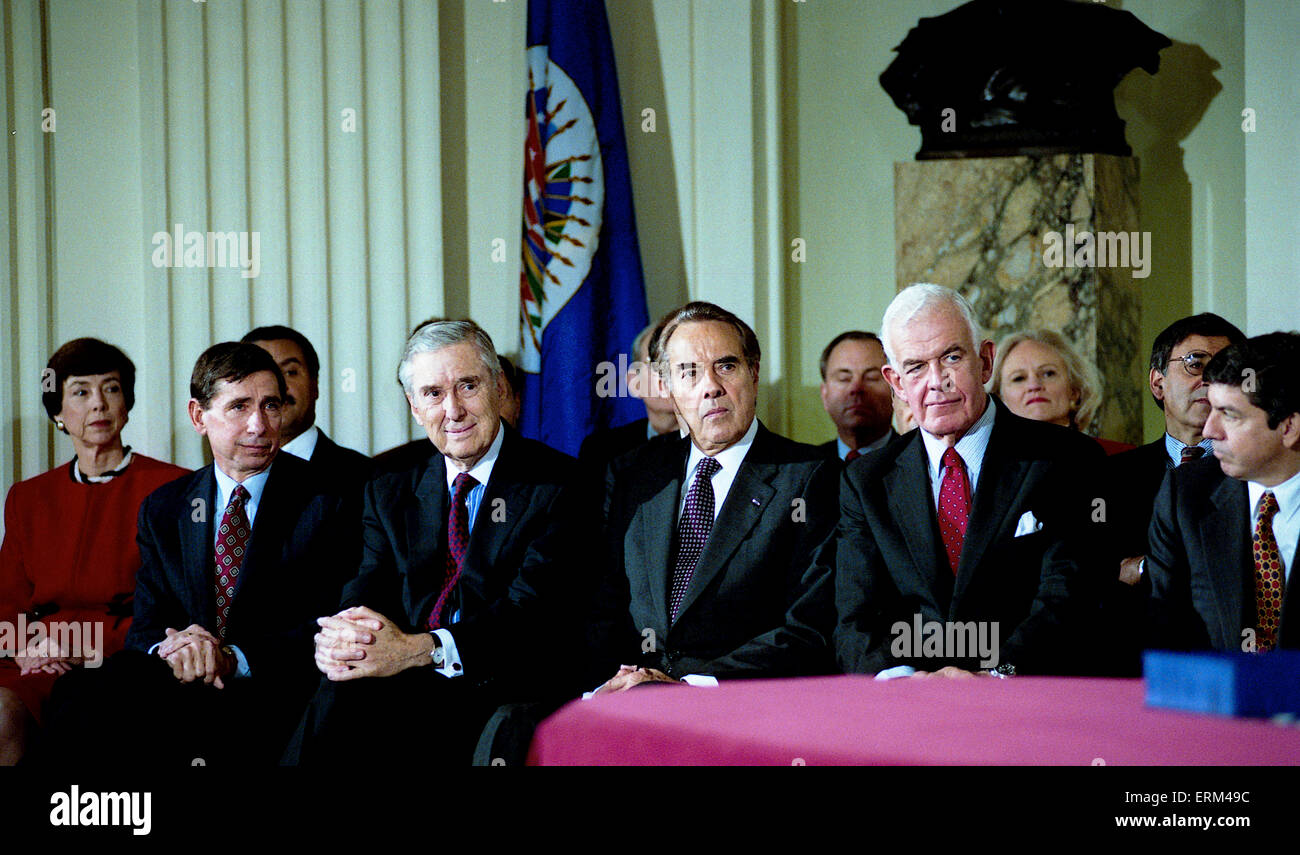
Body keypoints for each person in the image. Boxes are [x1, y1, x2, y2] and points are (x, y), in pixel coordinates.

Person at [38, 343, 359, 766]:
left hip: (277, 693)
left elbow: (332, 623)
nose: (259, 425)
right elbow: (146, 627)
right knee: (80, 696)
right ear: (198, 417)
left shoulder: (330, 499)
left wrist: (231, 659)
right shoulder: (165, 507)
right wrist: (176, 650)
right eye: (240, 407)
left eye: (271, 406)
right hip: (180, 691)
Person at [287, 320, 580, 766]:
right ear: (413, 406)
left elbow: (530, 615)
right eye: (433, 394)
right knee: (339, 684)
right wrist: (344, 636)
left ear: (499, 387)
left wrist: (422, 650)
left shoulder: (558, 483)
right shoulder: (390, 489)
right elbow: (368, 586)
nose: (454, 410)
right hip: (405, 679)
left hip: (501, 682)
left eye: (467, 386)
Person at [833, 284, 1104, 678]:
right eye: (915, 367)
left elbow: (1070, 599)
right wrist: (905, 682)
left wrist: (994, 677)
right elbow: (854, 620)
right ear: (896, 383)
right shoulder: (865, 480)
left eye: (952, 357)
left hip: (1029, 701)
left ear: (985, 361)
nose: (937, 380)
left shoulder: (1068, 459)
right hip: (908, 709)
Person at [588, 302, 839, 692]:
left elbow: (809, 627)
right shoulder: (638, 479)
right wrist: (615, 681)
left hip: (744, 708)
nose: (711, 386)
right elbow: (606, 609)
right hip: (632, 703)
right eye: (689, 372)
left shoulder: (811, 477)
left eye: (726, 366)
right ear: (668, 389)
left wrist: (688, 686)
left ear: (753, 374)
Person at [0, 339, 186, 765]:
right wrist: (25, 648)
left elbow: (174, 606)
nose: (99, 404)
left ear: (127, 403)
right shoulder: (28, 497)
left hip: (124, 662)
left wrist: (76, 644)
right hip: (34, 661)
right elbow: (6, 602)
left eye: (112, 389)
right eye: (81, 392)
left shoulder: (173, 488)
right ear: (58, 413)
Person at [1099, 313, 1245, 673]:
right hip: (1129, 666)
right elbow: (1094, 574)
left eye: (1225, 368)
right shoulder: (1108, 476)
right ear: (1157, 382)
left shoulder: (1256, 475)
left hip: (1232, 667)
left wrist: (1146, 566)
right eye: (1195, 364)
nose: (1209, 380)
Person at [1147, 332, 1300, 653]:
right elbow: (1165, 623)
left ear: (1288, 427)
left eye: (1229, 414)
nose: (1209, 430)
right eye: (1212, 410)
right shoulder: (1185, 493)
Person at [242, 325, 372, 486]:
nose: (278, 387)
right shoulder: (214, 478)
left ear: (315, 385)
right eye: (259, 374)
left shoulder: (366, 479)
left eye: (290, 372)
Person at [990, 328, 1130, 454]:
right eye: (1019, 378)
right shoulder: (985, 469)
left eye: (1048, 374)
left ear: (1075, 391)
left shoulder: (1120, 457)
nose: (1034, 385)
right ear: (1000, 398)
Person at [577, 323, 680, 473]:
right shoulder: (600, 451)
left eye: (680, 364)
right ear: (635, 383)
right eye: (657, 364)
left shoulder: (716, 441)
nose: (668, 374)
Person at [818, 331, 895, 462]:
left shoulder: (919, 461)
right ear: (824, 395)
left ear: (896, 389)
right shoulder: (805, 467)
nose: (856, 388)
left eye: (872, 377)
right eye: (844, 378)